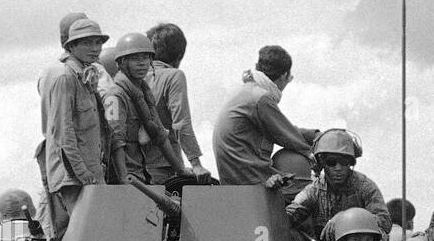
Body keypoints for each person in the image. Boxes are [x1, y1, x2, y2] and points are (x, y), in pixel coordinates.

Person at [41, 18, 120, 241]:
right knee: (88, 240)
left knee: (85, 239)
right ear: (71, 46)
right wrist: (85, 176)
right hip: (75, 176)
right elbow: (63, 135)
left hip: (85, 174)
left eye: (98, 42)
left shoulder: (85, 77)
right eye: (88, 42)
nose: (95, 47)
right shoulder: (65, 78)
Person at [213, 45, 318, 185]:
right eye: (289, 78)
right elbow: (286, 135)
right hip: (250, 179)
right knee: (307, 188)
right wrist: (317, 155)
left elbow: (282, 128)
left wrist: (315, 134)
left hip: (234, 176)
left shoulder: (246, 91)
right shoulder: (261, 98)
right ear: (283, 76)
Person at [102, 32, 190, 184]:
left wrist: (180, 170)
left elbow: (160, 135)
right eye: (135, 59)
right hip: (122, 180)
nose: (142, 63)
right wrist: (124, 179)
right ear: (122, 63)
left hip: (141, 175)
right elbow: (114, 141)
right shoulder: (115, 96)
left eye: (145, 57)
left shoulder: (144, 93)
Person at [144, 23, 211, 184]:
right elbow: (181, 123)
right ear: (180, 55)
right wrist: (196, 164)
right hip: (164, 167)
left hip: (136, 166)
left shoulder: (135, 77)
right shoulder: (174, 76)